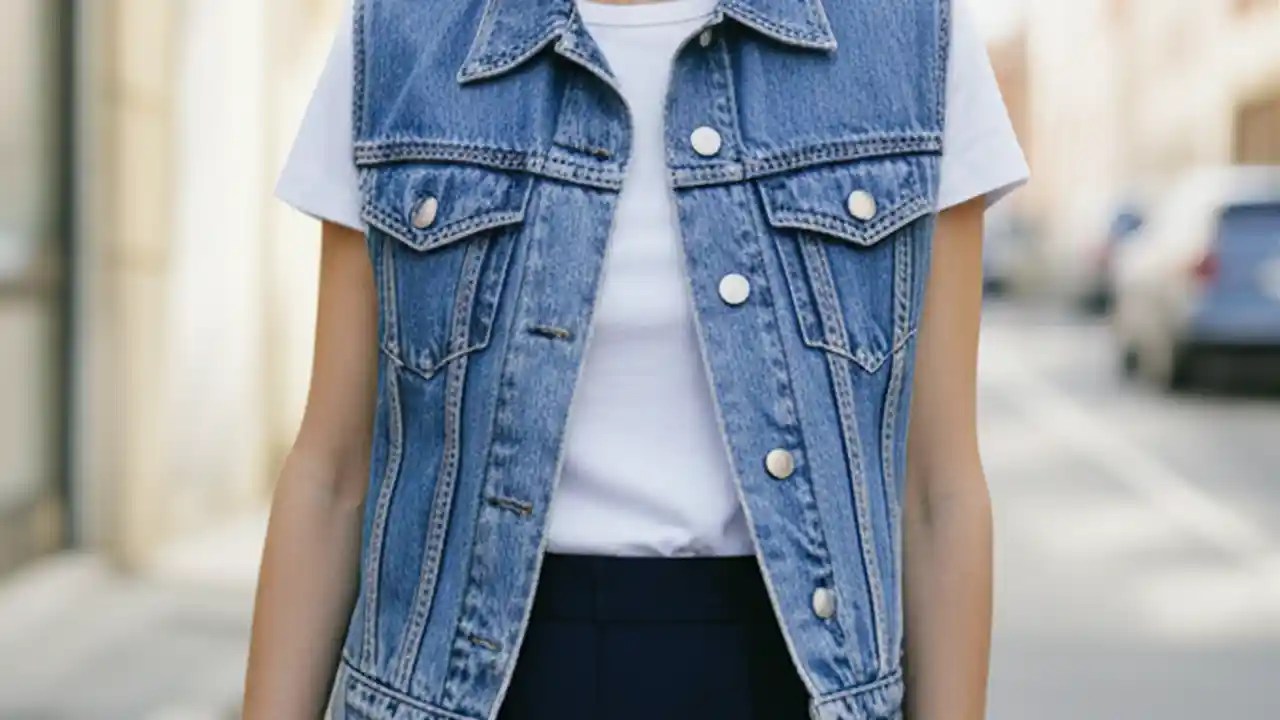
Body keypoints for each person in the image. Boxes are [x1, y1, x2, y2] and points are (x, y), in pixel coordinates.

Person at [244, 0, 1028, 717]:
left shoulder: (908, 38)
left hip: (780, 680)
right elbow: (333, 472)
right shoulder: (400, 36)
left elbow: (939, 488)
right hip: (468, 687)